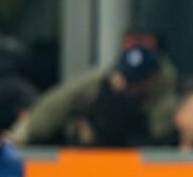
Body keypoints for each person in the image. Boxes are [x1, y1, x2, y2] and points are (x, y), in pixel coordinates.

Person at [11, 35, 179, 146]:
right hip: (92, 156)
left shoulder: (165, 98)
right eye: (123, 76)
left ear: (148, 80)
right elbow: (58, 102)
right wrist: (23, 132)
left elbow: (155, 136)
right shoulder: (104, 80)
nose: (123, 83)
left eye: (131, 81)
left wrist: (122, 101)